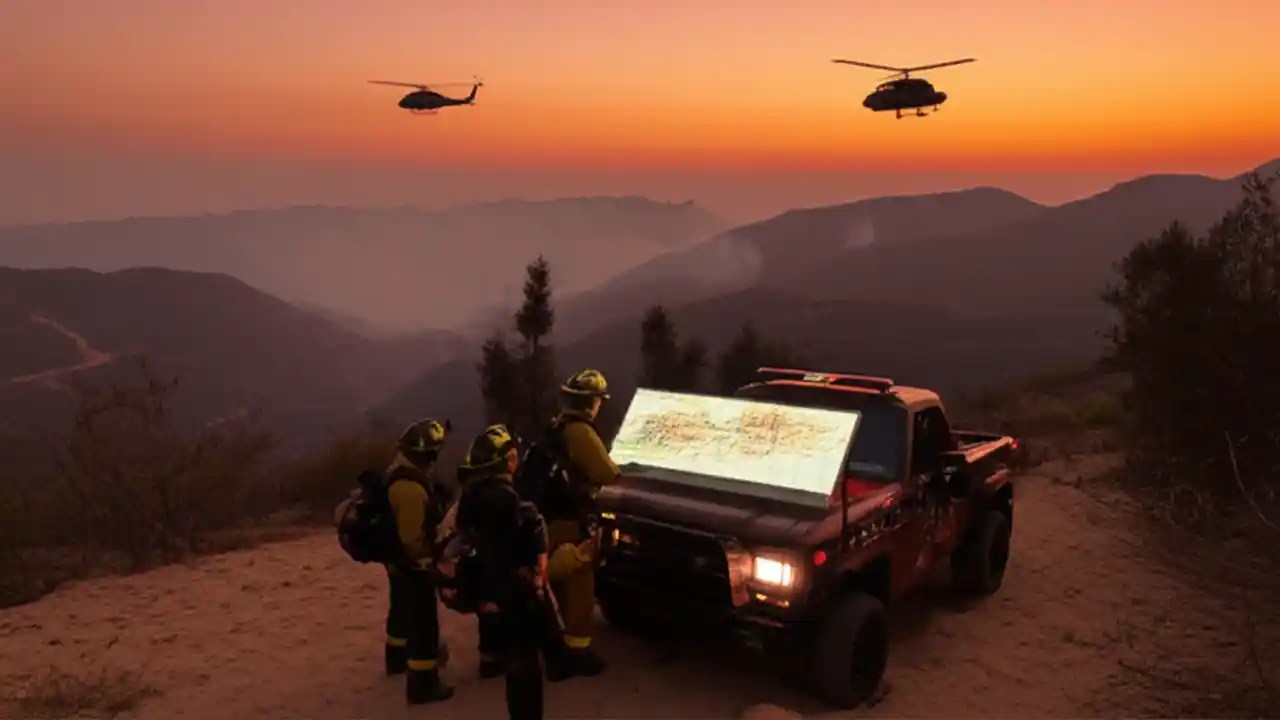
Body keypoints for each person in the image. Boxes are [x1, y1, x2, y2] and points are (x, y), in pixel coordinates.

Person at [453, 424, 569, 720]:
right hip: (515, 597)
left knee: (507, 655)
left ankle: (490, 660)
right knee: (524, 671)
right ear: (506, 461)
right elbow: (526, 556)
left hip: (484, 594)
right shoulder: (509, 502)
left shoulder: (469, 499)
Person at [535, 368, 620, 678]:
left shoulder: (556, 427)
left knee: (559, 583)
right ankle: (578, 653)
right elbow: (606, 473)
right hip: (570, 521)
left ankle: (563, 648)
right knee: (580, 586)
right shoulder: (581, 432)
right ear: (592, 402)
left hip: (548, 520)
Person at [383, 417, 455, 705]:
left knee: (400, 611)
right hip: (412, 565)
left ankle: (396, 658)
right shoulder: (411, 489)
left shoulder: (397, 471)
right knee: (424, 624)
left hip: (396, 563)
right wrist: (432, 561)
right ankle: (424, 683)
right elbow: (412, 540)